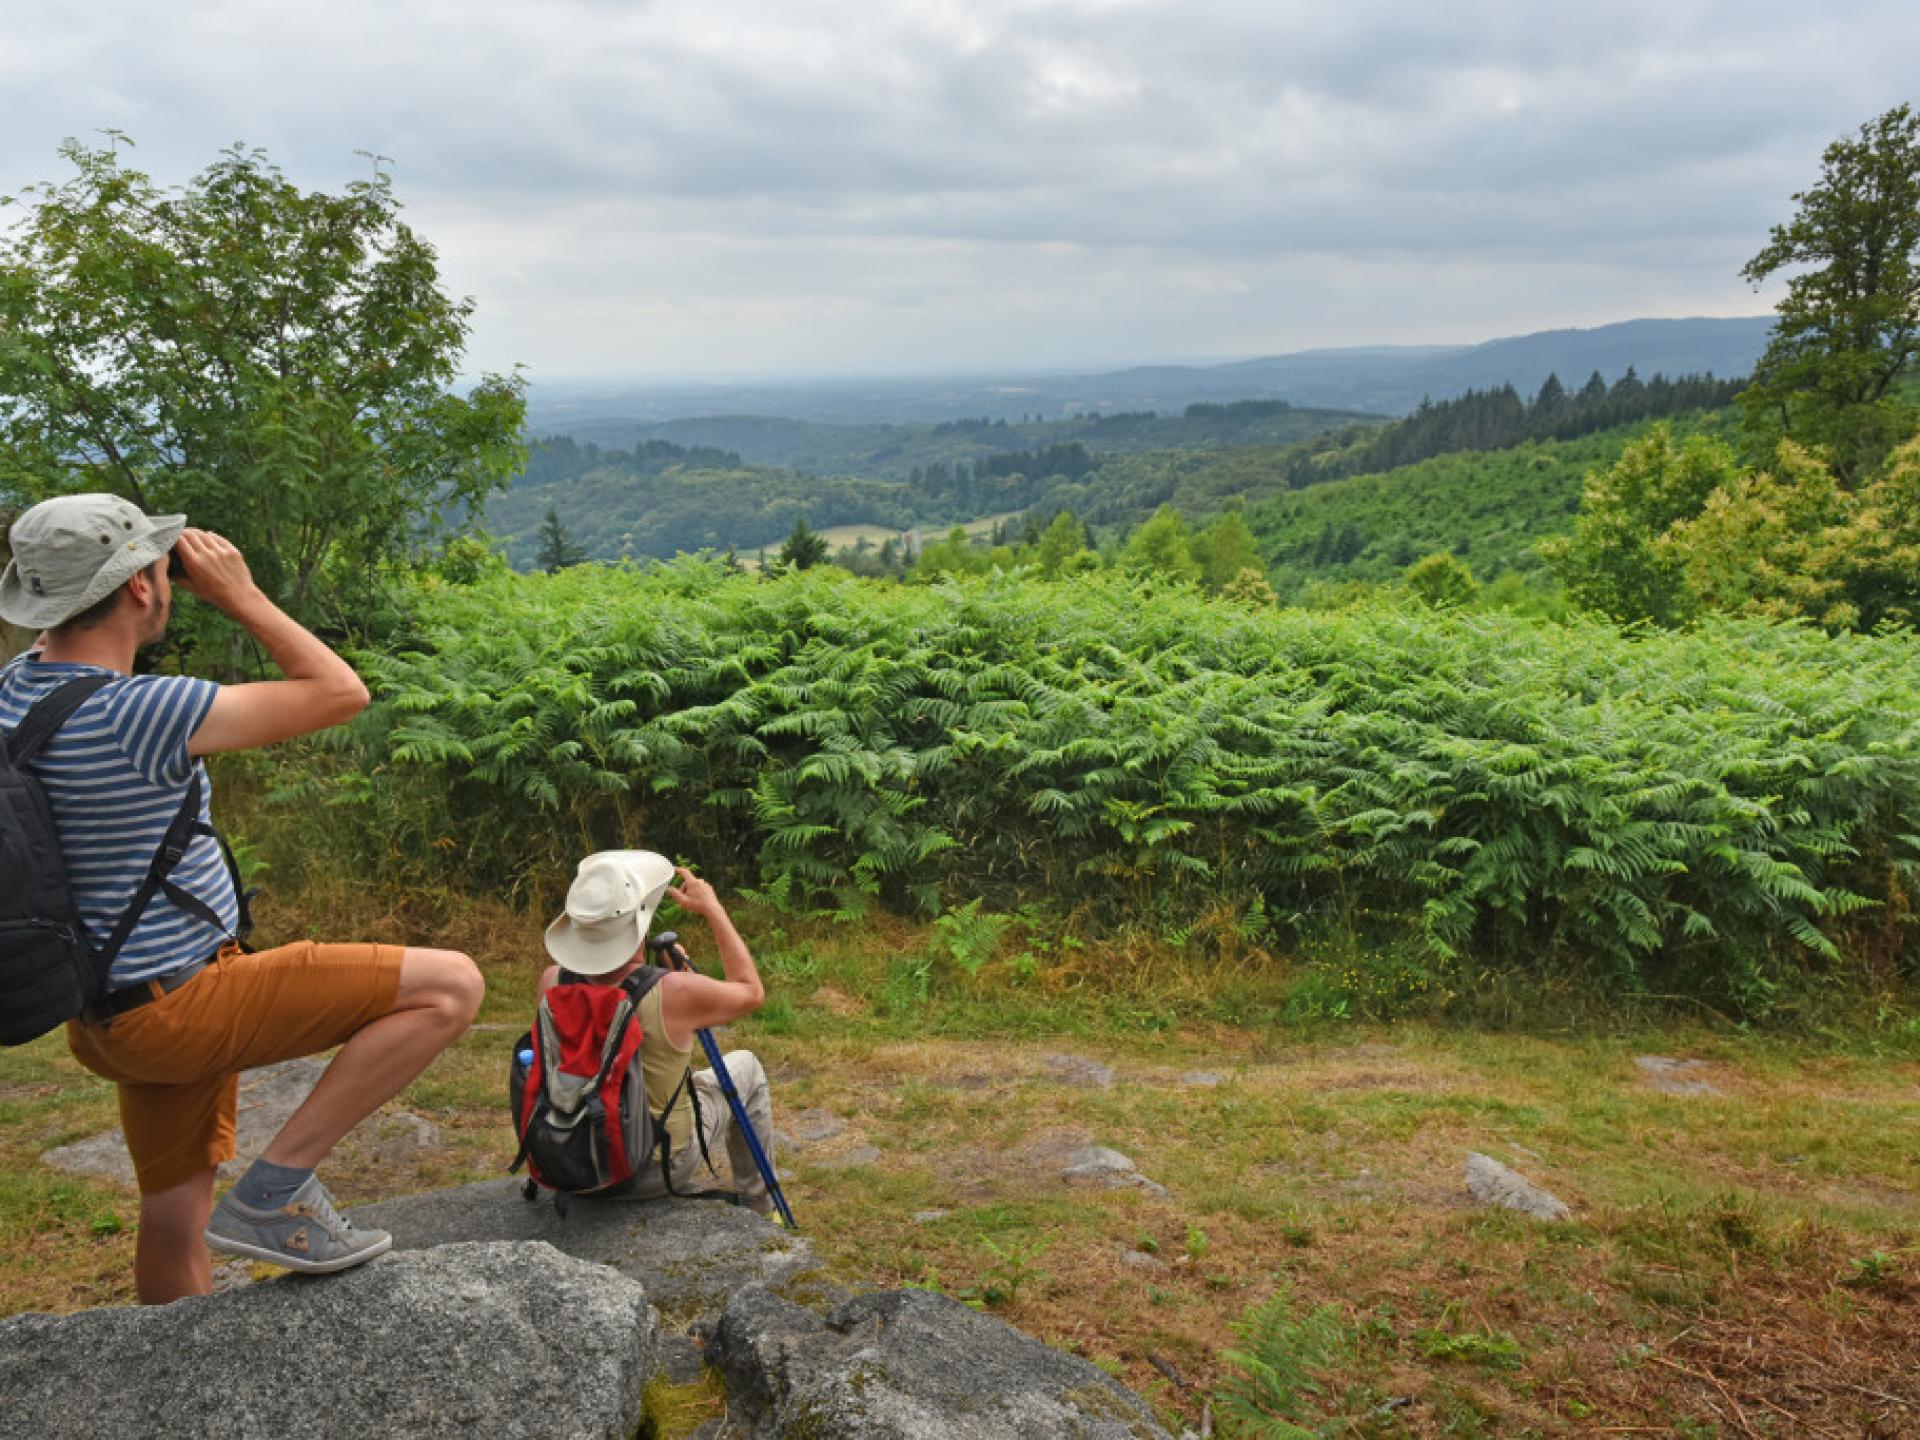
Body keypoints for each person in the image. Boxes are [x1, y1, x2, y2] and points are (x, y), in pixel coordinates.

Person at [0, 494, 484, 1303]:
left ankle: (179, 1388)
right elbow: (339, 692)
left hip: (104, 1015)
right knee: (452, 986)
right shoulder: (139, 712)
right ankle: (276, 1192)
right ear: (143, 590)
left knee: (173, 1213)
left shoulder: (14, 691)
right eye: (158, 561)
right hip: (183, 1004)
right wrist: (241, 596)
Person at [538, 849, 779, 1216]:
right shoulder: (673, 993)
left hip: (574, 1160)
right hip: (656, 1167)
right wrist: (712, 909)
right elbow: (751, 991)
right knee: (746, 1067)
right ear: (640, 921)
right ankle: (758, 1206)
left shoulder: (553, 981)